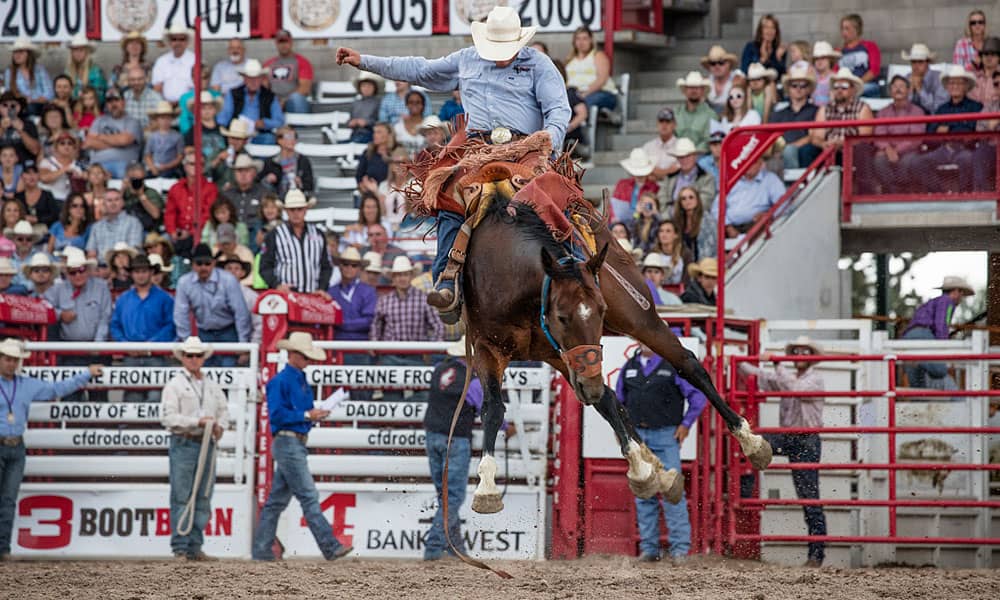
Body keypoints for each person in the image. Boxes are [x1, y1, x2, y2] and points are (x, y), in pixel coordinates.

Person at [335, 5, 570, 312]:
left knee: (548, 196)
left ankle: (571, 269)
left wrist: (549, 137)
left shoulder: (538, 64)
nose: (500, 54)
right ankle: (447, 279)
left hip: (525, 146)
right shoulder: (467, 59)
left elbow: (558, 109)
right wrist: (365, 61)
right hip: (476, 148)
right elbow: (420, 70)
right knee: (450, 195)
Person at [252, 332, 354, 562]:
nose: (308, 361)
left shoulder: (292, 380)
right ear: (294, 355)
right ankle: (330, 545)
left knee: (276, 501)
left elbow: (286, 414)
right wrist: (309, 414)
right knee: (308, 495)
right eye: (306, 357)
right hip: (290, 442)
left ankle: (261, 549)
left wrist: (311, 415)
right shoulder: (283, 382)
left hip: (291, 441)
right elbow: (278, 415)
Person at [0, 338, 100, 560]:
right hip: (8, 444)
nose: (10, 364)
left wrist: (85, 374)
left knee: (8, 499)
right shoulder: (24, 385)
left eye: (13, 360)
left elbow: (56, 389)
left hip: (15, 444)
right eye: (7, 359)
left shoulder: (25, 384)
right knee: (5, 498)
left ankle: (3, 548)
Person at [739, 336, 828, 567]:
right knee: (753, 444)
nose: (800, 355)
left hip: (807, 439)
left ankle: (816, 553)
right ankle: (745, 489)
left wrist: (777, 364)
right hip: (789, 436)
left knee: (809, 497)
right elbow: (762, 377)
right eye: (796, 351)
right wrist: (737, 358)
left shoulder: (815, 379)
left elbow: (795, 388)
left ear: (812, 357)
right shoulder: (787, 376)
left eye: (804, 352)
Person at [423, 336, 512, 560]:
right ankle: (433, 547)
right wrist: (506, 427)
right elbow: (489, 408)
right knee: (452, 497)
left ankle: (456, 546)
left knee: (445, 495)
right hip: (455, 440)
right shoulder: (472, 380)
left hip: (432, 435)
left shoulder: (440, 370)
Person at [616, 341, 706, 562]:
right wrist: (622, 430)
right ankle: (650, 548)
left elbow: (697, 397)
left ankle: (679, 550)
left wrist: (686, 424)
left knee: (671, 491)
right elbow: (618, 401)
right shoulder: (629, 366)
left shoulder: (672, 366)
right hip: (639, 436)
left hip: (666, 434)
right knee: (644, 492)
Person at [161, 336, 229, 561]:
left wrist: (220, 426)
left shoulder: (210, 384)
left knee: (202, 496)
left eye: (197, 355)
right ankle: (181, 546)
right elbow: (168, 418)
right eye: (189, 355)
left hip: (205, 442)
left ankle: (194, 545)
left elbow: (223, 410)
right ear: (183, 358)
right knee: (183, 495)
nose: (193, 359)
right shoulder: (175, 385)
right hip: (185, 440)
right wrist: (196, 422)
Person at [174, 243, 252, 366]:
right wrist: (186, 342)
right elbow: (180, 314)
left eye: (207, 263)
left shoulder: (228, 280)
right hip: (204, 333)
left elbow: (241, 312)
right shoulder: (184, 282)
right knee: (203, 371)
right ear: (193, 265)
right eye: (199, 264)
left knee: (228, 371)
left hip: (228, 332)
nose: (203, 267)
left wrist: (243, 344)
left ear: (214, 263)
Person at [111, 254, 176, 402]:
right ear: (132, 274)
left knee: (156, 396)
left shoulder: (164, 298)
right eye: (137, 272)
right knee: (132, 397)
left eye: (144, 271)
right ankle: (132, 425)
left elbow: (171, 326)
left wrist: (151, 345)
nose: (140, 275)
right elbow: (115, 325)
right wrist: (125, 345)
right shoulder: (123, 299)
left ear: (151, 273)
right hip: (131, 355)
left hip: (156, 355)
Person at [49, 249, 112, 401]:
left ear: (87, 270)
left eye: (81, 270)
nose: (78, 275)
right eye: (73, 272)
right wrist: (59, 315)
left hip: (96, 350)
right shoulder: (58, 289)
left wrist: (98, 345)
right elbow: (45, 307)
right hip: (70, 351)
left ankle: (99, 425)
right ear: (67, 273)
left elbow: (105, 317)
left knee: (98, 398)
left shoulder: (101, 287)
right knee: (70, 397)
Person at [900, 276, 976, 389]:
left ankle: (914, 359)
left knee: (917, 383)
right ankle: (917, 359)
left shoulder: (935, 302)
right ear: (955, 291)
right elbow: (941, 325)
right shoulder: (947, 302)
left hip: (909, 336)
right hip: (923, 335)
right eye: (961, 293)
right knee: (939, 370)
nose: (961, 297)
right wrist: (942, 346)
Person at [924, 66, 985, 192]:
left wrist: (948, 130)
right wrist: (953, 131)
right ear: (947, 87)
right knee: (920, 162)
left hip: (965, 149)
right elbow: (929, 137)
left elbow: (973, 133)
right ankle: (940, 195)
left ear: (966, 86)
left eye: (959, 83)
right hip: (943, 149)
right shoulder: (942, 109)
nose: (955, 86)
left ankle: (963, 197)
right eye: (951, 83)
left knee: (966, 159)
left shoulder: (976, 107)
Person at [861, 76, 926, 195]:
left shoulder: (918, 111)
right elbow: (879, 134)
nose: (898, 90)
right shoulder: (883, 112)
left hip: (910, 151)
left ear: (909, 90)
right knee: (879, 160)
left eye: (901, 86)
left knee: (909, 161)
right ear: (890, 91)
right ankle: (891, 192)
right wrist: (888, 149)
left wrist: (897, 150)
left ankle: (904, 193)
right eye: (895, 87)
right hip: (888, 151)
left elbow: (916, 138)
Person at [259, 190, 332, 295]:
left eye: (299, 209)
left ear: (305, 210)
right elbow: (265, 266)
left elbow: (326, 265)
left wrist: (322, 287)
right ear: (286, 211)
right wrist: (276, 285)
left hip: (313, 294)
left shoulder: (318, 235)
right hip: (285, 295)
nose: (296, 213)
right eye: (292, 210)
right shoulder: (274, 235)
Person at [710, 156, 784, 238]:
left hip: (755, 224)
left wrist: (768, 214)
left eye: (753, 162)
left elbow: (784, 203)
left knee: (762, 223)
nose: (749, 165)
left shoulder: (770, 179)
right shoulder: (731, 180)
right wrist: (728, 226)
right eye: (746, 162)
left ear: (761, 163)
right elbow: (716, 208)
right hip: (728, 226)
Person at [809, 68, 874, 160]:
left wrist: (844, 143)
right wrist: (824, 144)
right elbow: (816, 137)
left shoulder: (862, 108)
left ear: (853, 90)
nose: (839, 90)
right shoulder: (825, 109)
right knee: (810, 150)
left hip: (853, 153)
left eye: (844, 86)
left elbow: (865, 138)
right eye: (836, 86)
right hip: (829, 151)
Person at [217, 60, 285, 145]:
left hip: (258, 134)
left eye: (256, 78)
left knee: (269, 139)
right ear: (244, 78)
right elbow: (225, 115)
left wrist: (264, 123)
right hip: (236, 135)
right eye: (250, 78)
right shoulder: (233, 93)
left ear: (261, 79)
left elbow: (279, 120)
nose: (253, 81)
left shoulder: (269, 96)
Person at [83, 87, 144, 179]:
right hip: (98, 165)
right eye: (109, 101)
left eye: (116, 100)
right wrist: (118, 143)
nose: (113, 104)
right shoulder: (99, 120)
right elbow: (89, 142)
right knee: (93, 175)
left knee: (126, 174)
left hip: (124, 164)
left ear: (123, 102)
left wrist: (99, 137)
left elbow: (124, 140)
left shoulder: (132, 122)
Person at [771, 65, 821, 170]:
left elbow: (814, 136)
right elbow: (771, 138)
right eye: (794, 85)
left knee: (792, 151)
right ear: (788, 88)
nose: (798, 89)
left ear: (808, 89)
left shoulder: (816, 111)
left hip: (803, 153)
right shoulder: (778, 113)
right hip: (779, 153)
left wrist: (791, 147)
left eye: (803, 85)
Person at [164, 153, 218, 249]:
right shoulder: (175, 188)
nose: (196, 167)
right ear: (185, 166)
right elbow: (170, 213)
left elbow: (208, 214)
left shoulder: (211, 188)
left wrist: (192, 232)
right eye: (192, 164)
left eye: (200, 164)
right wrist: (172, 231)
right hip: (177, 233)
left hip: (200, 234)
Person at [564, 26, 618, 112]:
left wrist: (585, 94)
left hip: (600, 93)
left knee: (580, 105)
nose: (581, 42)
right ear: (574, 41)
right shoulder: (570, 59)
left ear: (591, 40)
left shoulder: (598, 55)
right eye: (578, 39)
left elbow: (602, 80)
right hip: (575, 94)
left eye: (585, 38)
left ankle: (578, 123)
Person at [657, 138, 715, 215]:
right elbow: (661, 202)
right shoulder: (669, 178)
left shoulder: (707, 178)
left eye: (688, 156)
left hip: (696, 222)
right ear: (677, 158)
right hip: (671, 221)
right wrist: (668, 219)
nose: (684, 160)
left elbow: (704, 204)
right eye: (681, 157)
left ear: (695, 156)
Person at [263, 29, 314, 114]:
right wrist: (274, 101)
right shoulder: (269, 63)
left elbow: (305, 88)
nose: (283, 45)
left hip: (292, 101)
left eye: (286, 41)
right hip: (274, 101)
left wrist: (284, 101)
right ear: (276, 44)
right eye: (280, 42)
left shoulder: (302, 62)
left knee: (296, 98)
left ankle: (301, 126)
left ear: (291, 42)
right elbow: (263, 87)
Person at [85, 188, 143, 259]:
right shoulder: (96, 227)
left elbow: (133, 252)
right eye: (109, 200)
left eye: (117, 199)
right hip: (100, 268)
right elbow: (91, 254)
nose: (113, 203)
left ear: (122, 202)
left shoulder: (133, 223)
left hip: (125, 267)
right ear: (104, 204)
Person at [259, 126, 314, 197]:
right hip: (276, 201)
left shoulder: (303, 160)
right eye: (288, 137)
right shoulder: (271, 162)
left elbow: (310, 185)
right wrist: (267, 180)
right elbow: (259, 183)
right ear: (279, 140)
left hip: (297, 200)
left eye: (294, 137)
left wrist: (300, 183)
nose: (292, 140)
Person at [3, 39, 52, 116]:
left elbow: (49, 92)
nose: (17, 55)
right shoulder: (9, 72)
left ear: (29, 54)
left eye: (21, 52)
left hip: (40, 104)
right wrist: (22, 98)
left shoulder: (39, 69)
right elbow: (8, 93)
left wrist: (34, 100)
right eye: (15, 52)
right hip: (20, 105)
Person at [610, 149, 658, 226]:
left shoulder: (654, 187)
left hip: (642, 223)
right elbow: (613, 205)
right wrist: (614, 218)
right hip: (621, 223)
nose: (639, 175)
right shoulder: (622, 184)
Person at [837, 14, 881, 98]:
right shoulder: (838, 51)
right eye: (842, 29)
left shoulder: (870, 46)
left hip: (866, 84)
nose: (843, 32)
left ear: (856, 29)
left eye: (847, 28)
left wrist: (857, 84)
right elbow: (835, 72)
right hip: (844, 86)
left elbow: (874, 70)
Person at [222, 154, 267, 233]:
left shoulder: (264, 193)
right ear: (235, 174)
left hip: (254, 234)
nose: (243, 174)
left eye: (247, 170)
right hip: (231, 234)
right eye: (239, 171)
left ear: (254, 173)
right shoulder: (227, 195)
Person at [151, 24, 195, 104]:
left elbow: (197, 87)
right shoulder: (161, 61)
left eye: (182, 39)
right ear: (170, 42)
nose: (178, 43)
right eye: (174, 39)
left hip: (189, 105)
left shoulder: (194, 60)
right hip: (166, 107)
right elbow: (157, 88)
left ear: (187, 42)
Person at [674, 72, 716, 153]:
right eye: (690, 87)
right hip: (677, 155)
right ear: (685, 90)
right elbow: (671, 137)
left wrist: (690, 155)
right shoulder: (676, 113)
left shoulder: (711, 115)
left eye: (697, 87)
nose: (693, 90)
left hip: (700, 157)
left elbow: (708, 142)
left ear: (702, 90)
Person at [38, 131, 85, 204]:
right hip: (49, 200)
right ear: (56, 147)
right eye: (62, 143)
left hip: (69, 201)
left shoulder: (78, 164)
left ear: (74, 148)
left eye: (70, 143)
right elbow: (44, 178)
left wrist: (81, 176)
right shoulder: (47, 161)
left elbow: (89, 176)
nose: (66, 146)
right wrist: (64, 169)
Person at [355, 123, 406, 188]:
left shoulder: (398, 151)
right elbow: (359, 177)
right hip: (371, 191)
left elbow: (403, 175)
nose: (374, 135)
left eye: (379, 132)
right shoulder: (368, 152)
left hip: (394, 190)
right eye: (374, 132)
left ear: (389, 135)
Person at [144, 101, 184, 178]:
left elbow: (180, 156)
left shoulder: (177, 136)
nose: (165, 121)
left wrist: (167, 166)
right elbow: (147, 155)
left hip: (172, 169)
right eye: (162, 118)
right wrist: (153, 168)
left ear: (172, 119)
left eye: (168, 118)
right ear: (157, 120)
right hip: (154, 168)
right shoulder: (152, 136)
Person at [15, 161, 60, 228]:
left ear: (38, 175)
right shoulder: (18, 197)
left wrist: (37, 219)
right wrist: (24, 218)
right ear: (22, 176)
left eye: (35, 172)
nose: (32, 176)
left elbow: (55, 216)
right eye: (28, 173)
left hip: (44, 231)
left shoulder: (47, 195)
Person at [65, 33, 107, 105]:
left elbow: (100, 96)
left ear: (87, 52)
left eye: (81, 50)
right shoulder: (68, 71)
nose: (78, 53)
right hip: (72, 106)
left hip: (92, 108)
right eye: (75, 50)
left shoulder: (96, 71)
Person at [0, 91, 41, 164]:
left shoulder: (28, 124)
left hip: (24, 167)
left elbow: (35, 150)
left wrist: (21, 131)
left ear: (19, 107)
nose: (9, 108)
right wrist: (2, 129)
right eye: (5, 105)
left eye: (13, 105)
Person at [122, 162, 164, 232]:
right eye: (131, 170)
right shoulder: (123, 193)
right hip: (126, 229)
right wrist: (122, 190)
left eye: (137, 169)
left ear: (143, 176)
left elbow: (156, 215)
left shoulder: (150, 193)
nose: (133, 172)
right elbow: (114, 210)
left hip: (147, 230)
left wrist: (141, 195)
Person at [121, 66, 164, 131]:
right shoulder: (123, 97)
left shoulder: (156, 97)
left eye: (140, 79)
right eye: (133, 80)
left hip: (149, 134)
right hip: (127, 134)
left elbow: (163, 119)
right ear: (128, 81)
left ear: (146, 79)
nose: (136, 82)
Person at [649, 221, 691, 286]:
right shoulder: (653, 253)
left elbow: (687, 279)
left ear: (675, 235)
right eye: (661, 231)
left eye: (668, 231)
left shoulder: (684, 253)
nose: (664, 234)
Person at [642, 108, 680, 180]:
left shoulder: (681, 146)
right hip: (651, 187)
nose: (664, 125)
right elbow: (641, 170)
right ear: (657, 124)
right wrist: (668, 172)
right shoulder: (648, 147)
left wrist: (653, 171)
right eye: (661, 121)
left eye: (668, 122)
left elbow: (679, 171)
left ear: (674, 125)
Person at [348, 72, 384, 143]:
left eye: (369, 86)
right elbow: (350, 119)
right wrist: (351, 122)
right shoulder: (356, 103)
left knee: (359, 140)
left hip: (371, 134)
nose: (366, 88)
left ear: (375, 87)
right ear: (359, 88)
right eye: (364, 86)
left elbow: (381, 121)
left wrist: (367, 123)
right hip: (355, 133)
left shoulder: (378, 102)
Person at [702, 45, 738, 113]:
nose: (717, 66)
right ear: (709, 67)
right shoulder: (706, 82)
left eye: (721, 63)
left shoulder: (737, 78)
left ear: (729, 64)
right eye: (713, 63)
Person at [5, 220, 39, 291]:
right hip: (10, 297)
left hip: (34, 297)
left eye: (28, 239)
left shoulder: (40, 258)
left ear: (33, 241)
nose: (24, 242)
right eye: (20, 239)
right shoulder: (7, 260)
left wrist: (23, 287)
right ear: (14, 240)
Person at [394, 91, 429, 155]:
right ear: (406, 105)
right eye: (411, 102)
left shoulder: (429, 124)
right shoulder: (398, 126)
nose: (414, 104)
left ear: (423, 105)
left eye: (418, 102)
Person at [970, 37, 1000, 106]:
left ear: (999, 57)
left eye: (993, 54)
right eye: (986, 54)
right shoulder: (973, 77)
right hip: (975, 115)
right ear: (981, 56)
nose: (989, 57)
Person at [810, 41, 841, 107]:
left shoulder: (836, 77)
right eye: (816, 59)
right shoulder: (811, 77)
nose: (819, 61)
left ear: (830, 60)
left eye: (823, 58)